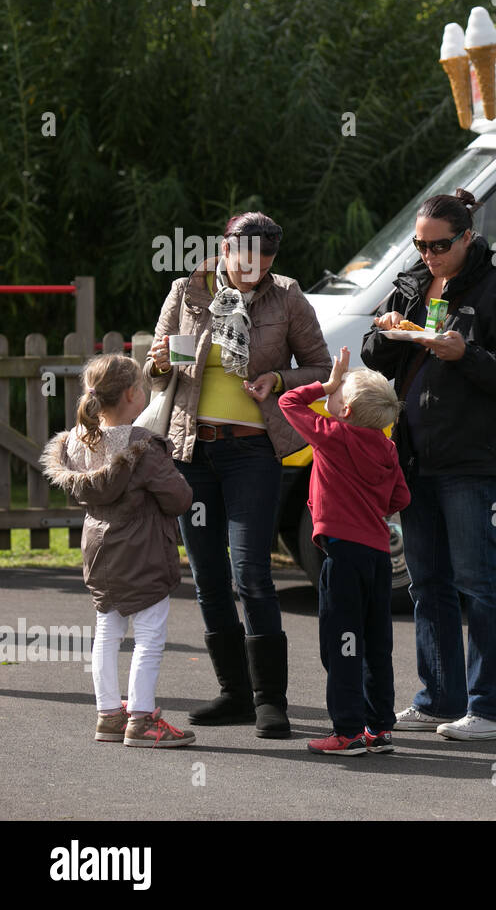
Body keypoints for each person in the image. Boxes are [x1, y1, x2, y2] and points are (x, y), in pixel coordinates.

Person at [362, 188, 496, 741]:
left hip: (471, 458)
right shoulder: (415, 284)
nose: (428, 256)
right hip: (415, 454)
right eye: (420, 245)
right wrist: (389, 328)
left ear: (467, 238)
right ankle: (438, 698)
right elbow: (376, 355)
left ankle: (492, 710)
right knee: (427, 583)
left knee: (477, 582)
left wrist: (466, 355)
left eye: (439, 245)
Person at [147, 212, 331, 738]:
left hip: (253, 452)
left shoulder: (288, 296)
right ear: (224, 250)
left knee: (252, 575)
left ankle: (271, 701)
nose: (254, 271)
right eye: (245, 259)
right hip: (193, 451)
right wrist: (159, 361)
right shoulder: (186, 290)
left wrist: (277, 376)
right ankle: (234, 695)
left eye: (265, 261)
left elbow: (319, 368)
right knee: (207, 578)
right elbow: (152, 369)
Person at [40, 355, 196, 748]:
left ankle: (109, 714)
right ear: (132, 394)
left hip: (99, 550)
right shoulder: (140, 446)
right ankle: (142, 719)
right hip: (142, 551)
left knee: (107, 630)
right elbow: (179, 497)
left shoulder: (76, 441)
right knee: (149, 634)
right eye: (142, 386)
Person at [279, 347, 410, 755]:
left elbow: (288, 400)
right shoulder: (386, 448)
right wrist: (369, 506)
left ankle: (348, 730)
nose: (329, 400)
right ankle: (379, 727)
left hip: (343, 557)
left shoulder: (332, 436)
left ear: (347, 410)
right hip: (376, 557)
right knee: (375, 643)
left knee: (341, 643)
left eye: (337, 397)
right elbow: (400, 497)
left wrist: (324, 382)